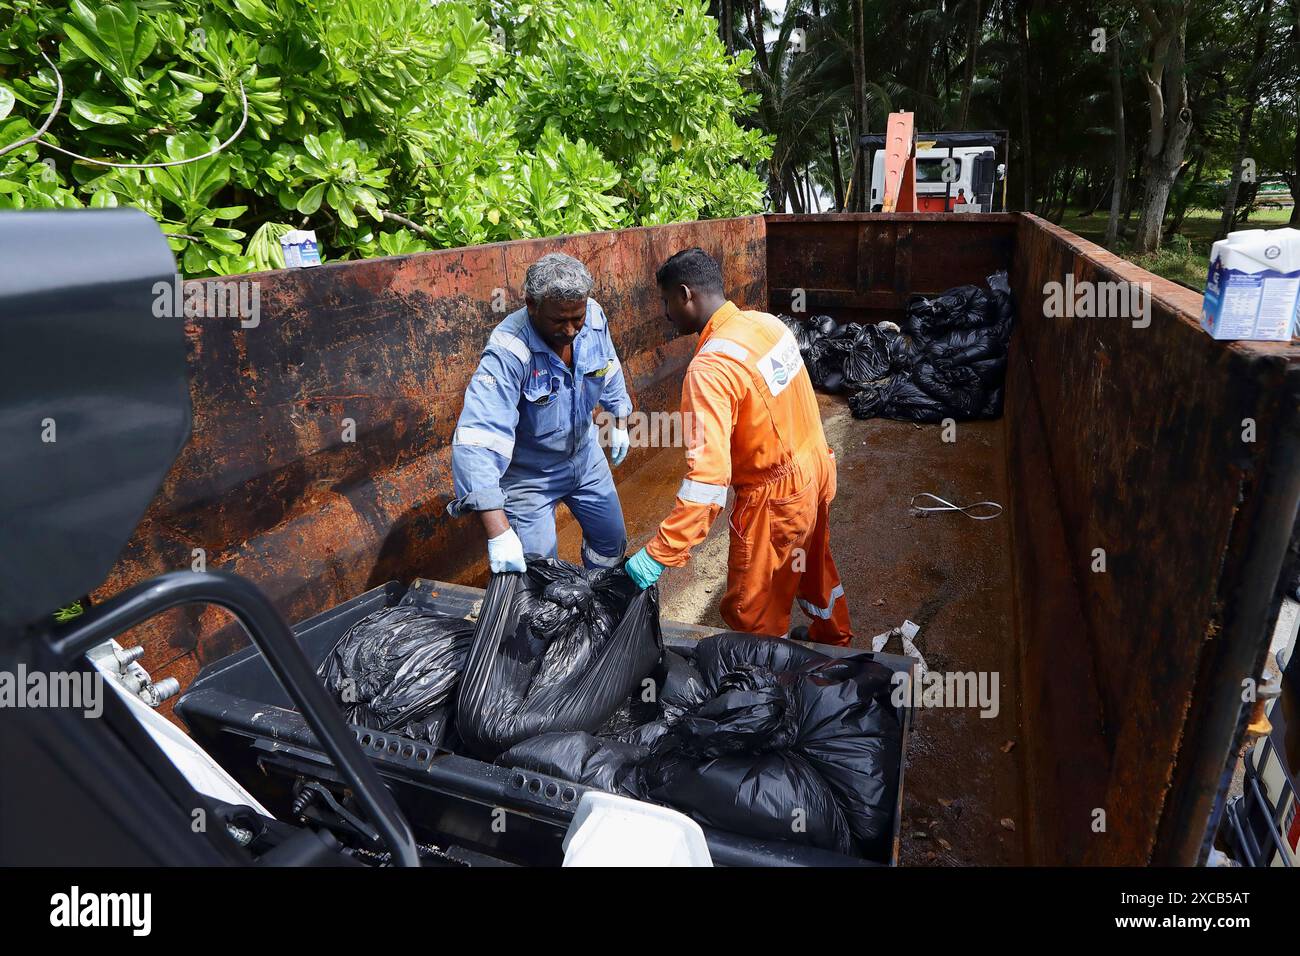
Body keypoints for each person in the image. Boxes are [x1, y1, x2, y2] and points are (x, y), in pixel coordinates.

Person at [623, 248, 853, 645]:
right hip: (815, 468)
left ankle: (763, 689)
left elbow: (707, 482)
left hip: (775, 498)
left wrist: (660, 552)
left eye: (665, 302)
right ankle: (834, 643)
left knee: (752, 612)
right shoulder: (766, 325)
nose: (665, 313)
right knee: (813, 566)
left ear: (685, 294)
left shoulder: (710, 369)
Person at [448, 252, 632, 574]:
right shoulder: (509, 352)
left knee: (611, 543)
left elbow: (609, 365)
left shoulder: (594, 318)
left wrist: (618, 418)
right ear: (532, 305)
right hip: (529, 478)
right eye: (559, 321)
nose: (572, 330)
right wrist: (498, 532)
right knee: (539, 570)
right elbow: (477, 441)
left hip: (584, 457)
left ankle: (600, 598)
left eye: (578, 317)